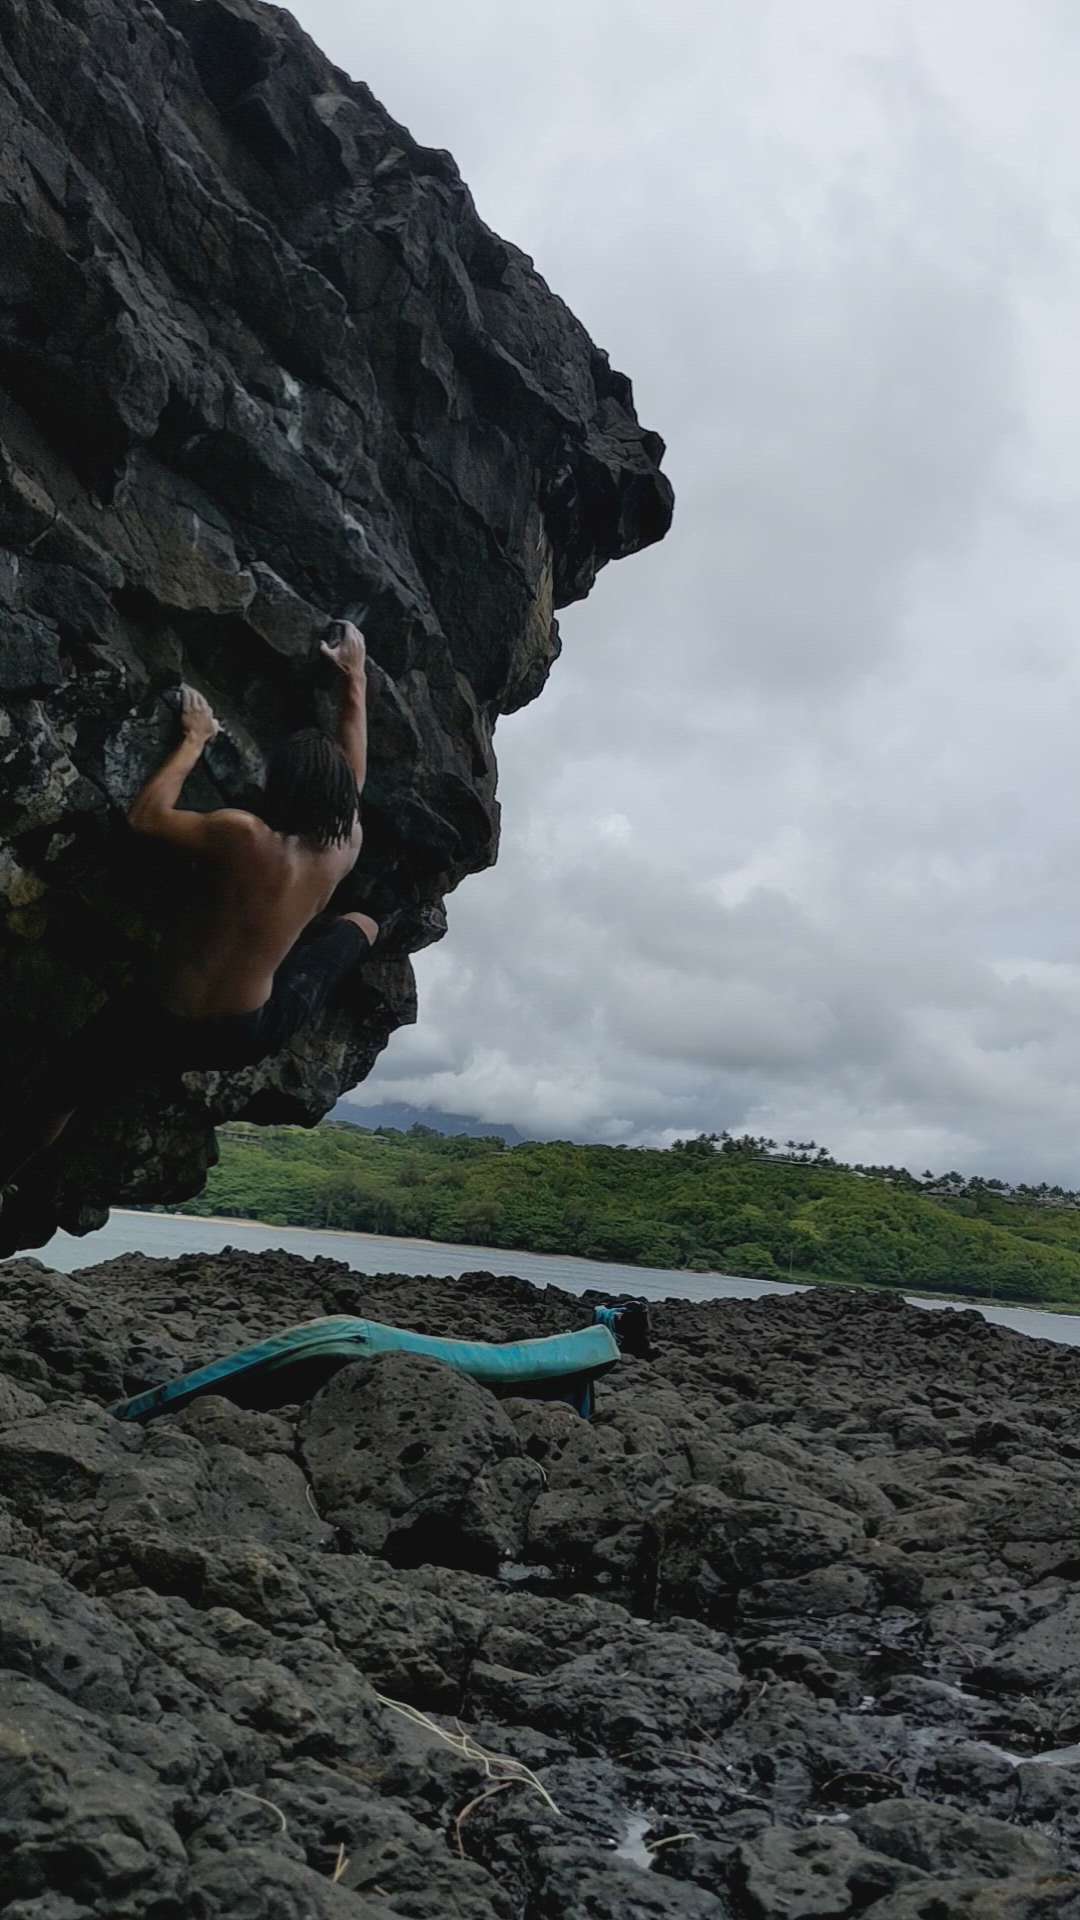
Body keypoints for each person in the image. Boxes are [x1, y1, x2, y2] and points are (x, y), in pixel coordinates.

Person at [0, 620, 378, 1200]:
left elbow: (147, 817)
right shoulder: (340, 853)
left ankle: (8, 1174)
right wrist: (355, 676)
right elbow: (354, 775)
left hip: (157, 1016)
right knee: (361, 926)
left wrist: (194, 740)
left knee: (60, 1092)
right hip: (243, 1034)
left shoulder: (241, 835)